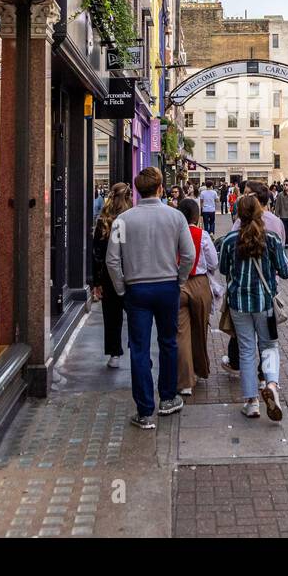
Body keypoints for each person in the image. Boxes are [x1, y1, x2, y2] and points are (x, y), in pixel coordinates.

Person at [106, 167, 196, 430]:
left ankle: (145, 411)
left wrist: (122, 288)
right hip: (167, 286)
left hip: (137, 289)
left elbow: (113, 260)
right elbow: (188, 255)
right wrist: (179, 280)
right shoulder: (176, 217)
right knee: (168, 342)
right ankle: (167, 398)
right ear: (160, 188)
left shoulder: (122, 221)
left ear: (137, 190)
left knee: (139, 348)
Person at [219, 195, 288, 419]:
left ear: (238, 214)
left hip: (239, 303)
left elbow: (223, 269)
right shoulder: (271, 239)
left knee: (246, 350)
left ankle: (251, 401)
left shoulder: (230, 240)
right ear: (261, 212)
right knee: (269, 346)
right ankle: (271, 385)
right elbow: (285, 270)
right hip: (265, 302)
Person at [223, 181, 285, 375]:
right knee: (268, 342)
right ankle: (269, 381)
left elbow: (226, 265)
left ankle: (251, 400)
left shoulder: (236, 230)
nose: (243, 197)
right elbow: (282, 263)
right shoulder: (275, 224)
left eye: (248, 195)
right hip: (267, 289)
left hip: (240, 291)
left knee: (245, 344)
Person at [176, 198, 217, 396]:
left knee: (181, 333)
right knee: (200, 329)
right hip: (199, 283)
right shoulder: (203, 235)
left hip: (179, 284)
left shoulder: (173, 234)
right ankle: (200, 369)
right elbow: (213, 263)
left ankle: (185, 380)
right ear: (196, 215)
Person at [91, 182, 133, 369]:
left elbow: (97, 252)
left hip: (109, 275)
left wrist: (97, 281)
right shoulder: (131, 218)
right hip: (132, 272)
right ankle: (138, 350)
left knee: (112, 316)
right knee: (136, 315)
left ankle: (114, 354)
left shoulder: (103, 220)